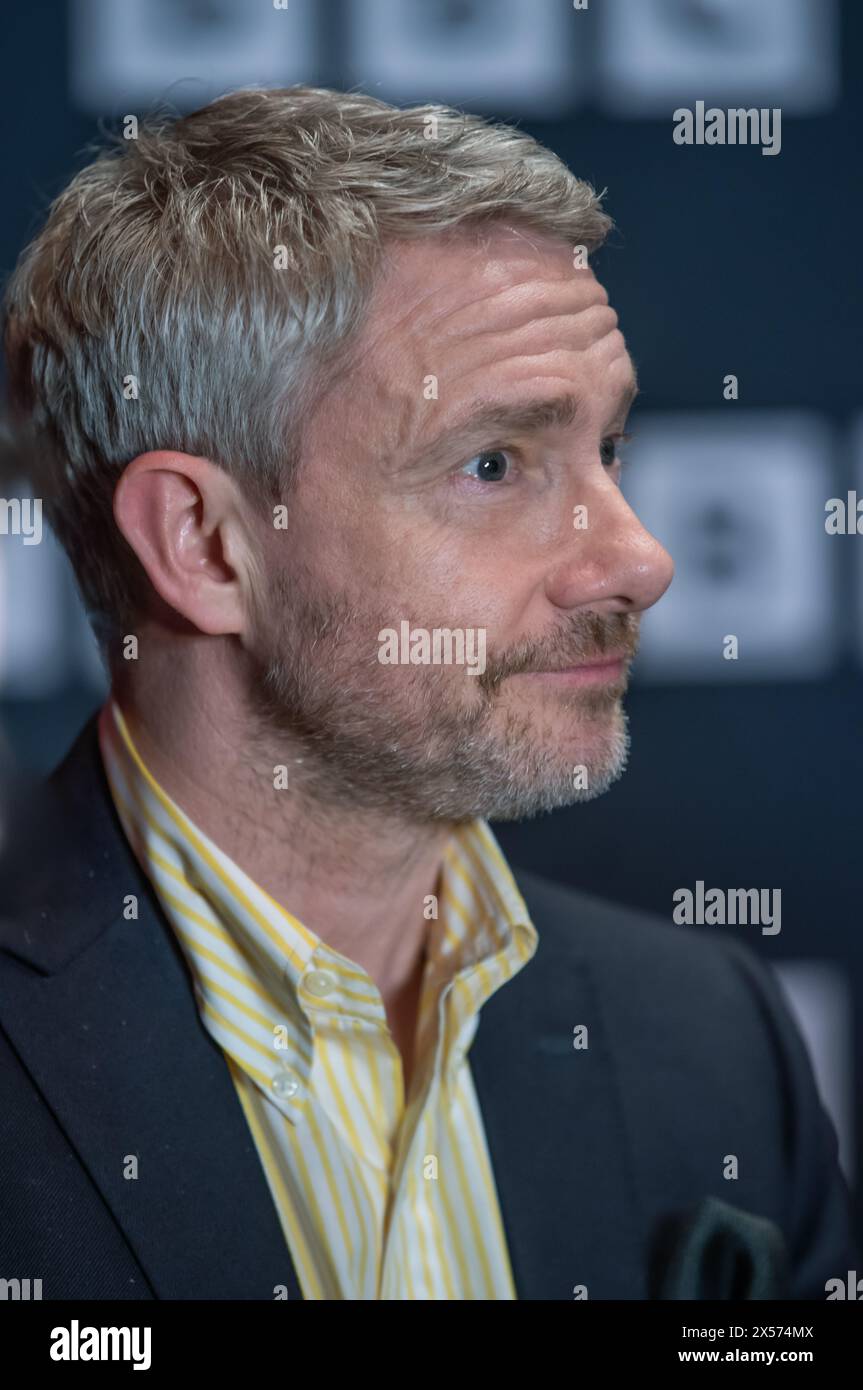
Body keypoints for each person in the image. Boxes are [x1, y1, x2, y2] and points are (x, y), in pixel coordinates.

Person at [0, 86, 857, 1300]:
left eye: (603, 450)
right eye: (494, 463)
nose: (638, 558)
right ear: (202, 544)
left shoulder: (708, 1042)